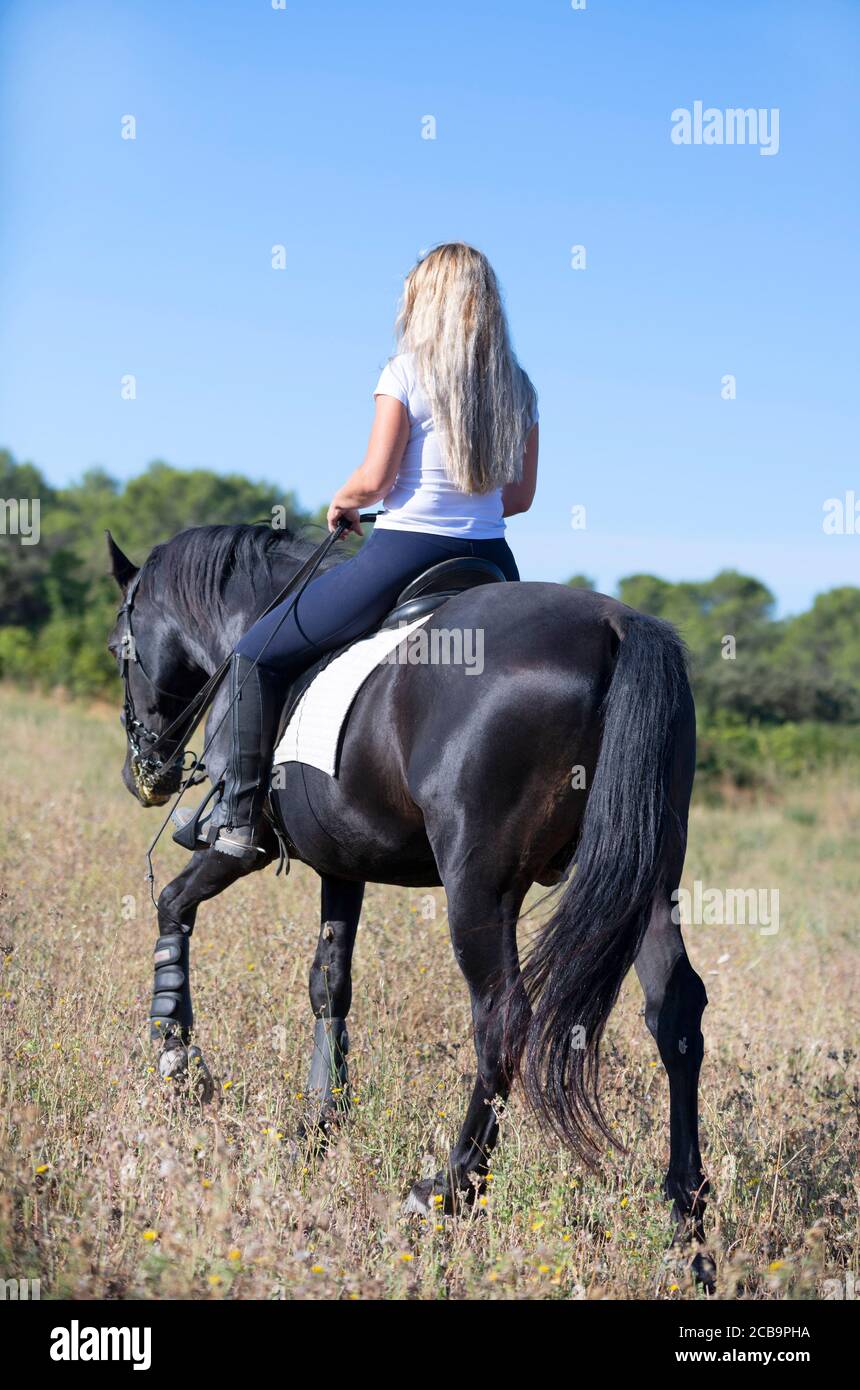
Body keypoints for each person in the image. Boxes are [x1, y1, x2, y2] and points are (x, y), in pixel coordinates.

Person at [204, 242, 539, 863]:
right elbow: (518, 498)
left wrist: (345, 499)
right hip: (494, 564)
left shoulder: (405, 371)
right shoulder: (518, 386)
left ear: (427, 299)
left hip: (405, 555)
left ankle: (240, 819)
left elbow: (376, 481)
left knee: (254, 653)